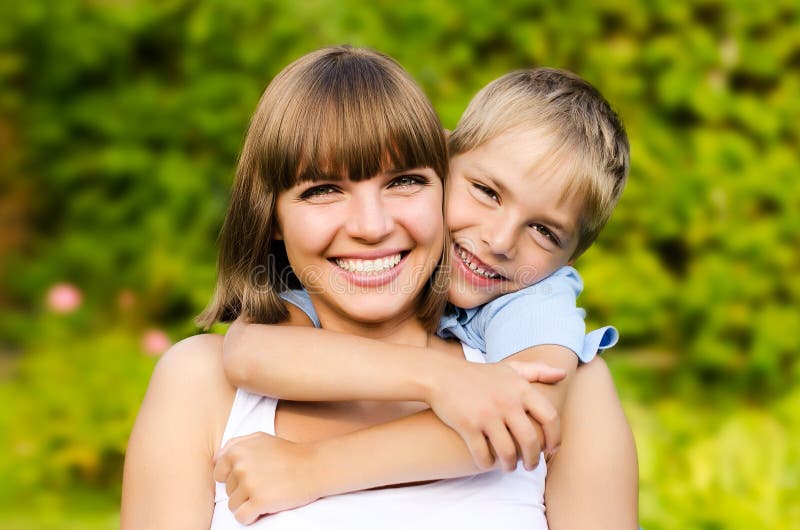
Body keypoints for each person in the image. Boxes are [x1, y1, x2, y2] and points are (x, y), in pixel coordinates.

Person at [121, 46, 636, 529]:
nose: (370, 225)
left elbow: (520, 412)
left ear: (437, 174)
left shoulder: (561, 380)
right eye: (322, 190)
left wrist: (314, 469)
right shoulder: (203, 383)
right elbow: (250, 352)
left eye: (403, 181)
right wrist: (439, 379)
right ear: (271, 215)